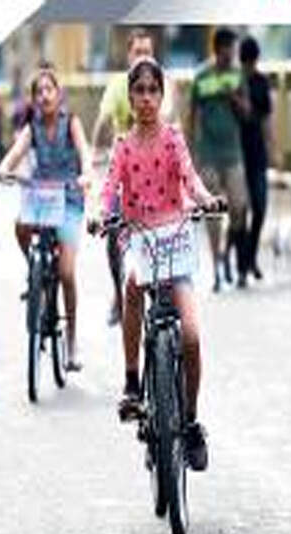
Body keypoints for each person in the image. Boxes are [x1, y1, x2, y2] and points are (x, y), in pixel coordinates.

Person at [90, 57, 225, 471]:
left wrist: (206, 200)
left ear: (162, 96)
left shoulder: (173, 139)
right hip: (140, 238)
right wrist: (101, 214)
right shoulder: (123, 146)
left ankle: (191, 421)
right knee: (131, 285)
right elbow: (110, 189)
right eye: (139, 91)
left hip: (176, 238)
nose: (146, 98)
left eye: (153, 90)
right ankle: (133, 380)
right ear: (130, 98)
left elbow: (190, 178)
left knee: (192, 336)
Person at [0, 63, 93, 371]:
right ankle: (36, 271)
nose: (44, 96)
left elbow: (85, 152)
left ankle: (72, 343)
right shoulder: (32, 127)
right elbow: (15, 154)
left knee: (66, 273)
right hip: (40, 198)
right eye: (38, 92)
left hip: (69, 199)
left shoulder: (71, 122)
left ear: (58, 94)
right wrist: (4, 169)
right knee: (20, 226)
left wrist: (87, 174)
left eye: (49, 90)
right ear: (34, 98)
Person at [91, 27, 177, 325]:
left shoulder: (162, 84)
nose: (143, 56)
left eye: (147, 52)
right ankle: (119, 296)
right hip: (125, 176)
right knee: (113, 234)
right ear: (128, 55)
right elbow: (103, 121)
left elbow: (171, 119)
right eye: (138, 51)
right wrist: (93, 154)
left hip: (158, 175)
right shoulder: (117, 87)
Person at [189, 27, 251, 292]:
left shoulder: (237, 75)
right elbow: (192, 116)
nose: (233, 54)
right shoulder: (201, 76)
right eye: (230, 49)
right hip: (208, 155)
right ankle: (216, 268)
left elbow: (247, 112)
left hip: (233, 153)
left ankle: (226, 250)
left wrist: (233, 97)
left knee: (239, 207)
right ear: (218, 49)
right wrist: (191, 156)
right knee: (213, 212)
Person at [238, 36, 272, 284]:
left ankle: (250, 257)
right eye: (246, 62)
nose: (250, 66)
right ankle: (241, 263)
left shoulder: (262, 82)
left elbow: (267, 116)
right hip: (238, 154)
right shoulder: (234, 82)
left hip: (258, 152)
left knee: (260, 208)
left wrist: (272, 146)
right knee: (240, 211)